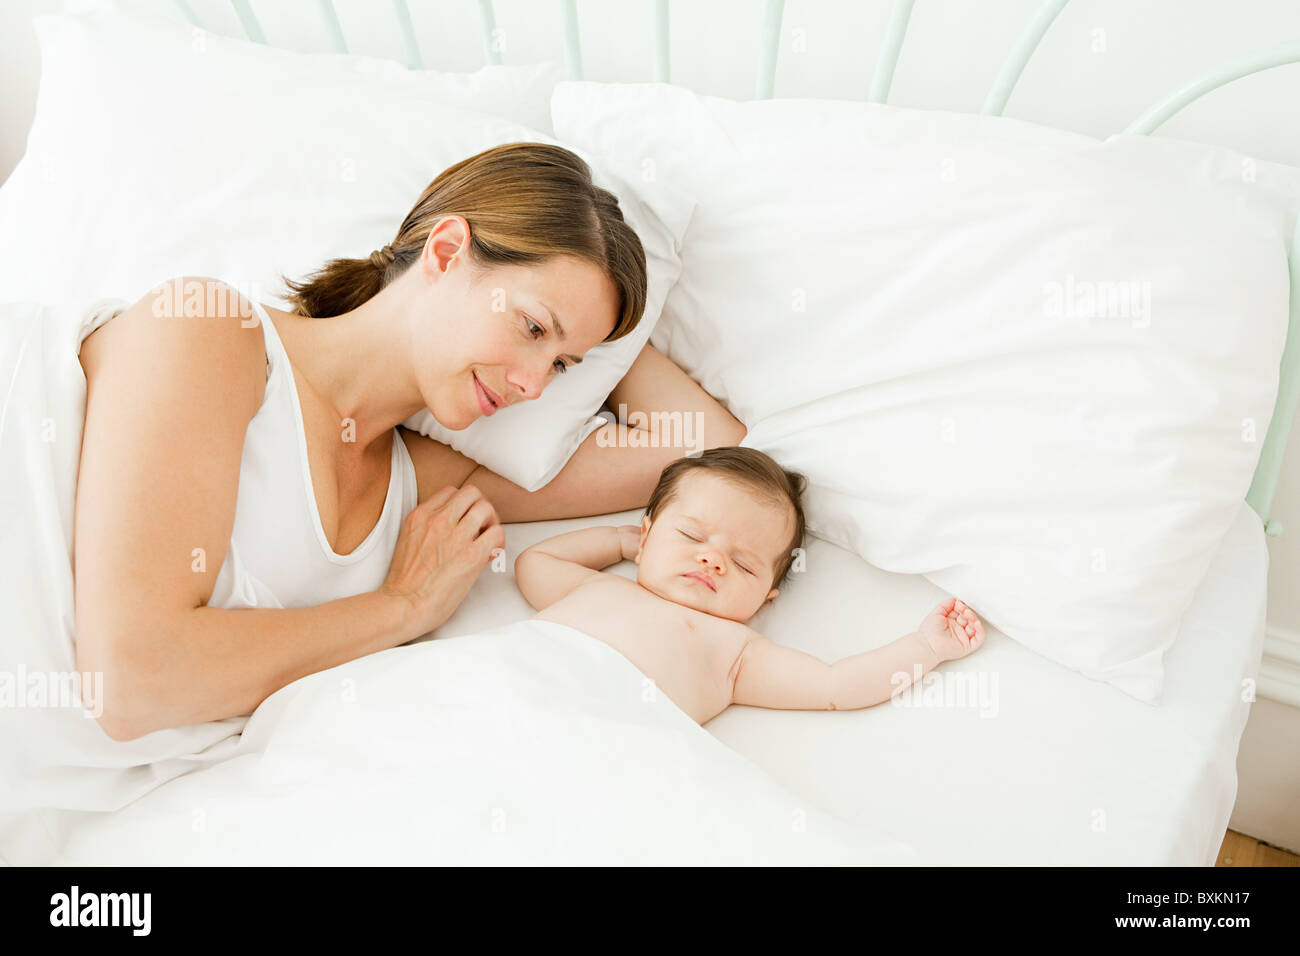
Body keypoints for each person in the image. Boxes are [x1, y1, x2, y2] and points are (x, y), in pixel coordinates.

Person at [73, 142, 745, 742]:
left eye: (564, 367)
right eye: (534, 330)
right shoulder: (210, 335)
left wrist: (612, 310)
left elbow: (704, 445)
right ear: (446, 252)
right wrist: (402, 608)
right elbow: (130, 681)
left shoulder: (425, 485)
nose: (536, 388)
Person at [515, 447, 986, 725]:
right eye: (691, 536)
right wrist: (621, 542)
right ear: (648, 532)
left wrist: (925, 647)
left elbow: (834, 685)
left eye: (742, 564)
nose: (712, 559)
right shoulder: (597, 589)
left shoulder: (735, 651)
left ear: (766, 598)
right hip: (515, 684)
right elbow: (534, 561)